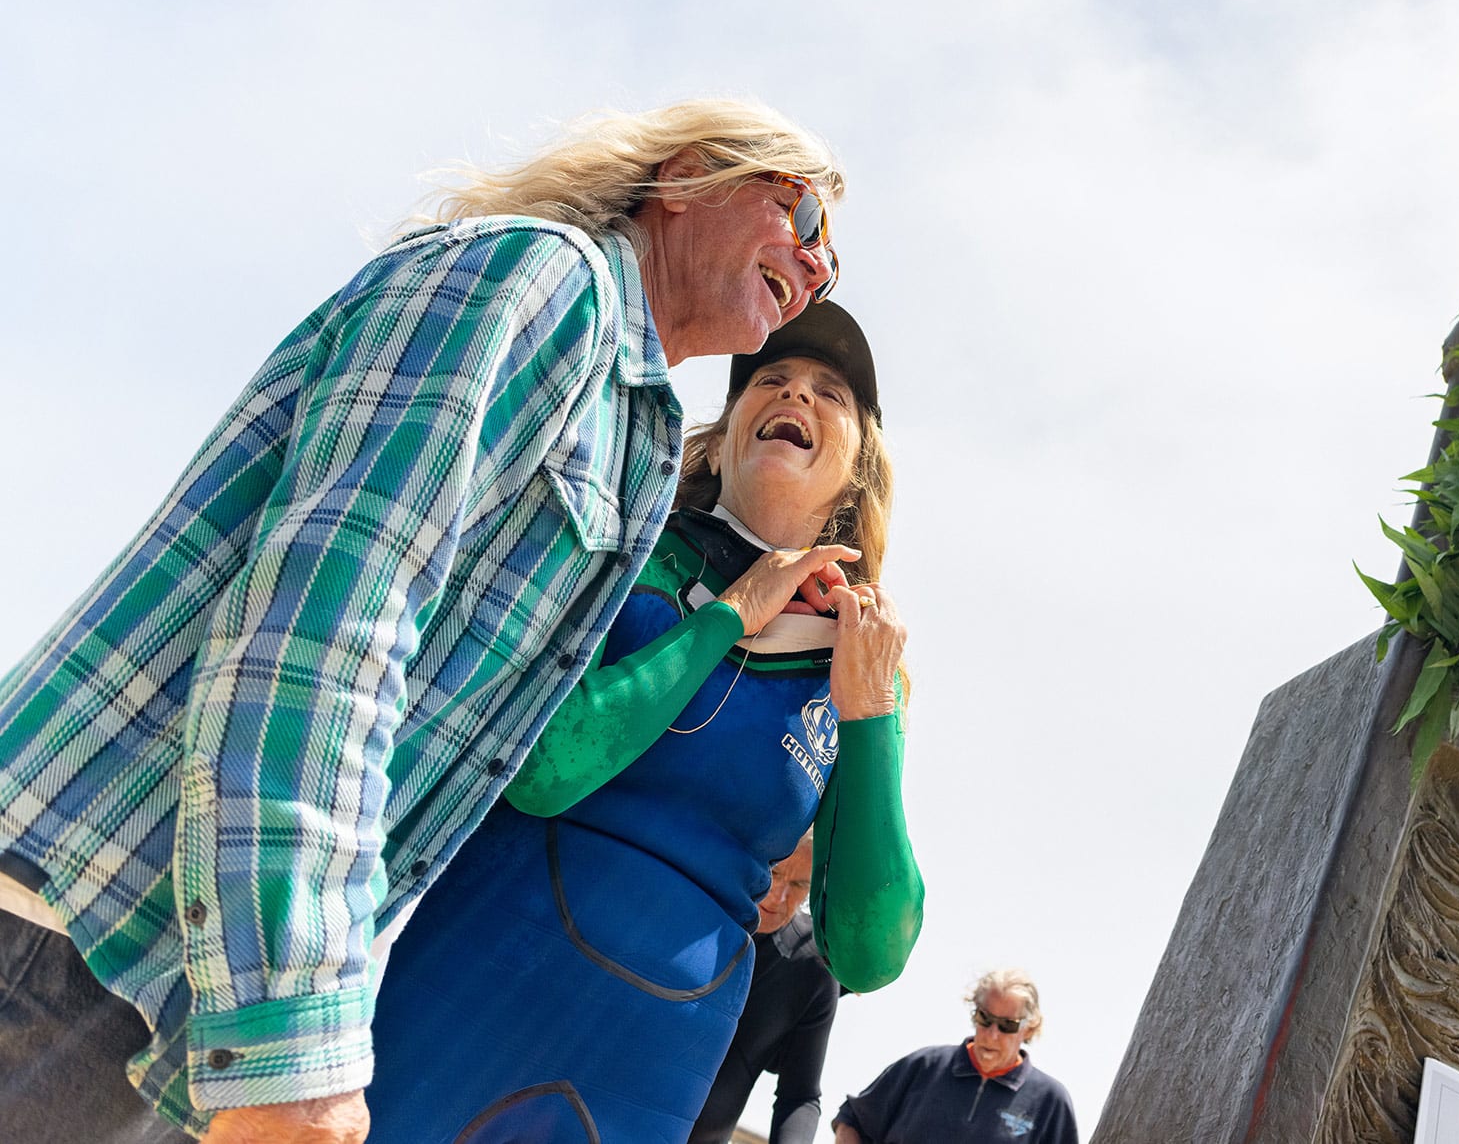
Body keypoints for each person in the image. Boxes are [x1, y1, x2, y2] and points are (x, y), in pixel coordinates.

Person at [0, 99, 847, 1144]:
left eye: (832, 265)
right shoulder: (544, 284)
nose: (813, 269)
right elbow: (326, 630)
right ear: (688, 177)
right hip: (76, 929)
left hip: (175, 981)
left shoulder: (634, 426)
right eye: (803, 221)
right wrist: (292, 1023)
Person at [362, 301, 922, 1144]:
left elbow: (868, 949)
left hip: (652, 1070)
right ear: (727, 432)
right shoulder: (634, 540)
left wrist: (872, 713)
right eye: (769, 379)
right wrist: (729, 614)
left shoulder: (858, 662)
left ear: (857, 469)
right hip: (470, 985)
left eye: (827, 393)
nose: (793, 394)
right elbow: (547, 767)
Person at [685, 836, 843, 1144]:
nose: (778, 898)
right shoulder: (696, 904)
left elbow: (799, 1097)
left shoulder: (811, 967)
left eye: (799, 885)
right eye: (775, 874)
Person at [834, 970, 1078, 1144]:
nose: (992, 1034)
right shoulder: (923, 1066)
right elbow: (851, 1120)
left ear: (1029, 1028)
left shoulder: (1050, 1101)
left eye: (1007, 1025)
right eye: (986, 1019)